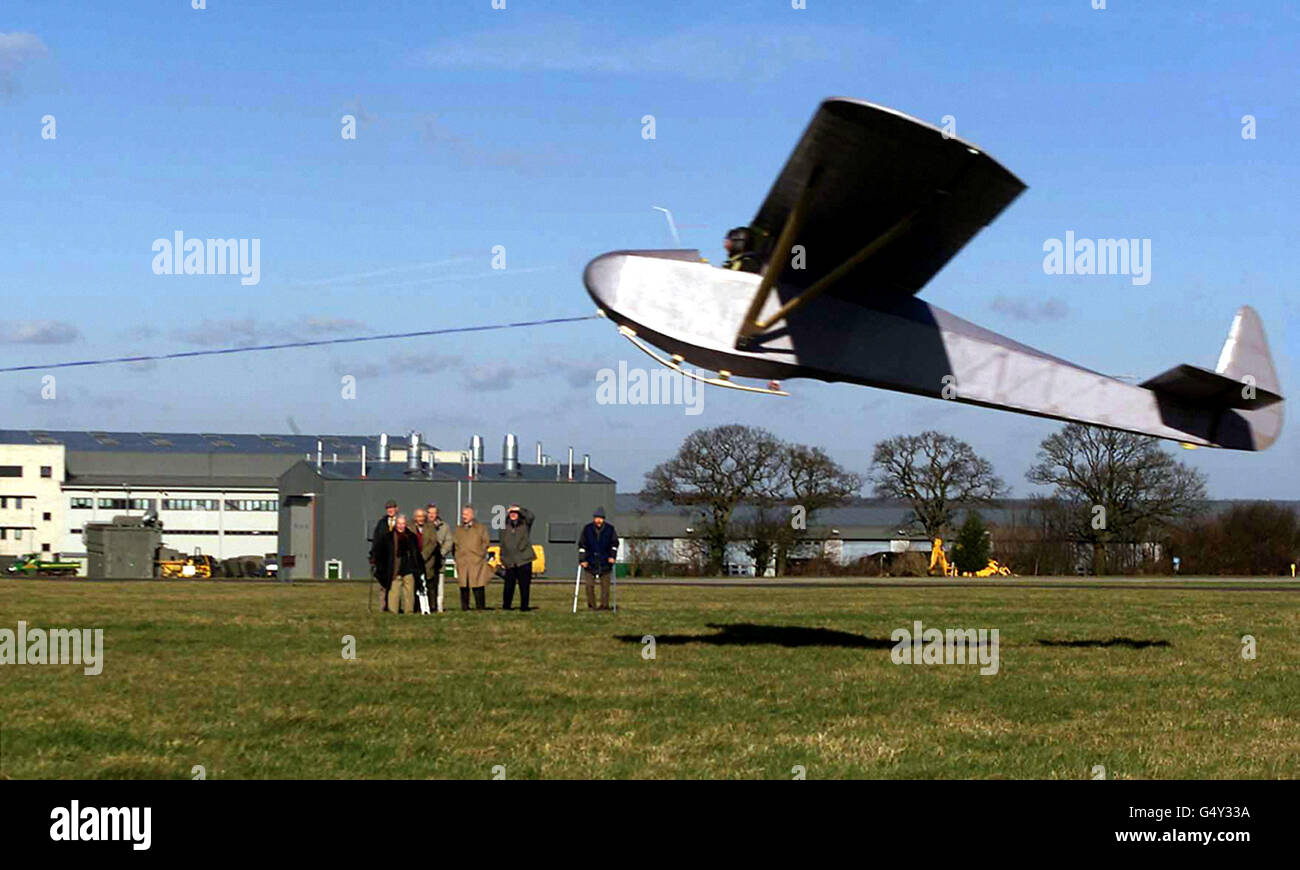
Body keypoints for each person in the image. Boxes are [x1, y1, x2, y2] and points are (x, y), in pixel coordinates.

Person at [376, 514, 424, 615]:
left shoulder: (411, 537)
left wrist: (418, 567)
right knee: (394, 593)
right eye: (399, 524)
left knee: (409, 593)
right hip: (394, 570)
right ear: (395, 524)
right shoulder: (388, 538)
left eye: (403, 524)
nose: (401, 526)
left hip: (409, 569)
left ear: (405, 524)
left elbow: (416, 553)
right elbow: (382, 554)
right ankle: (393, 612)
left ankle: (409, 612)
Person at [450, 504, 492, 611]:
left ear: (472, 515)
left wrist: (480, 553)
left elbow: (486, 542)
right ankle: (465, 607)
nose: (464, 516)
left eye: (466, 514)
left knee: (478, 585)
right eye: (463, 514)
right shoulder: (458, 529)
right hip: (463, 561)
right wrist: (457, 556)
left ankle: (480, 607)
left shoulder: (481, 528)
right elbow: (454, 545)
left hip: (476, 561)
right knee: (464, 586)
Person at [578, 506, 619, 611]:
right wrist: (582, 560)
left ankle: (604, 606)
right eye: (597, 518)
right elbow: (582, 545)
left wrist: (612, 557)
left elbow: (614, 544)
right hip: (590, 561)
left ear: (604, 519)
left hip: (605, 561)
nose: (598, 520)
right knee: (589, 586)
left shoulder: (610, 529)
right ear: (593, 518)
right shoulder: (587, 529)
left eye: (601, 518)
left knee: (605, 587)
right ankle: (592, 605)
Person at [499, 504, 536, 611]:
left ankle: (524, 606)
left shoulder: (525, 524)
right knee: (508, 585)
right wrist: (502, 557)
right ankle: (506, 606)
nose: (513, 515)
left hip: (524, 559)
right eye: (511, 513)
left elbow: (531, 516)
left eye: (515, 513)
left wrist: (519, 509)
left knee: (524, 585)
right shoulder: (504, 526)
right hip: (509, 560)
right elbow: (502, 542)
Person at [368, 499, 399, 612]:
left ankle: (394, 607)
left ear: (396, 509)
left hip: (396, 558)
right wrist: (373, 556)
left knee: (395, 584)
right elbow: (376, 541)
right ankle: (383, 607)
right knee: (383, 584)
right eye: (388, 508)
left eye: (392, 508)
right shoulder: (381, 524)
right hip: (383, 559)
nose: (390, 510)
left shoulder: (401, 523)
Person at [422, 503, 453, 612]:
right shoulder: (422, 525)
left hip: (439, 561)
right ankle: (425, 608)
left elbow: (449, 541)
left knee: (439, 588)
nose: (431, 515)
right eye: (429, 512)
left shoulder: (444, 526)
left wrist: (441, 553)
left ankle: (438, 608)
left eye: (434, 513)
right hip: (425, 562)